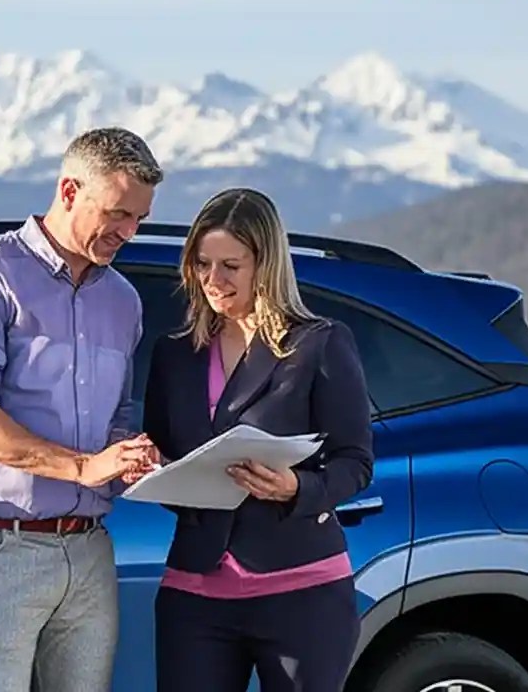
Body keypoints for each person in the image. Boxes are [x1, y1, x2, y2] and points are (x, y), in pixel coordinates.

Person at [0, 126, 164, 692]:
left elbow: (116, 417)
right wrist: (83, 466)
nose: (128, 232)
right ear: (70, 190)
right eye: (118, 213)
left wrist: (132, 460)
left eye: (139, 219)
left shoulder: (122, 302)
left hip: (87, 551)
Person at [143, 188, 374, 692]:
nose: (213, 280)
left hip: (302, 592)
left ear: (265, 266)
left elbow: (354, 462)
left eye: (231, 265)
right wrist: (152, 470)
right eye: (202, 264)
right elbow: (167, 456)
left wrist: (297, 487)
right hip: (194, 595)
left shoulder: (318, 344)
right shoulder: (173, 355)